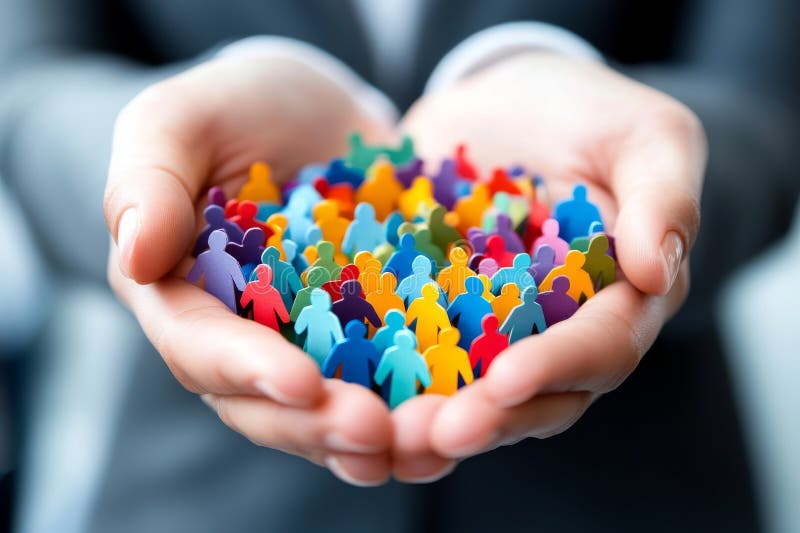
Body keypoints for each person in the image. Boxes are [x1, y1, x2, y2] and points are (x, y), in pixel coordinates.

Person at [2, 1, 797, 532]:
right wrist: (147, 160)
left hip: (637, 488)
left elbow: (764, 103)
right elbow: (26, 79)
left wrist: (657, 186)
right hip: (200, 494)